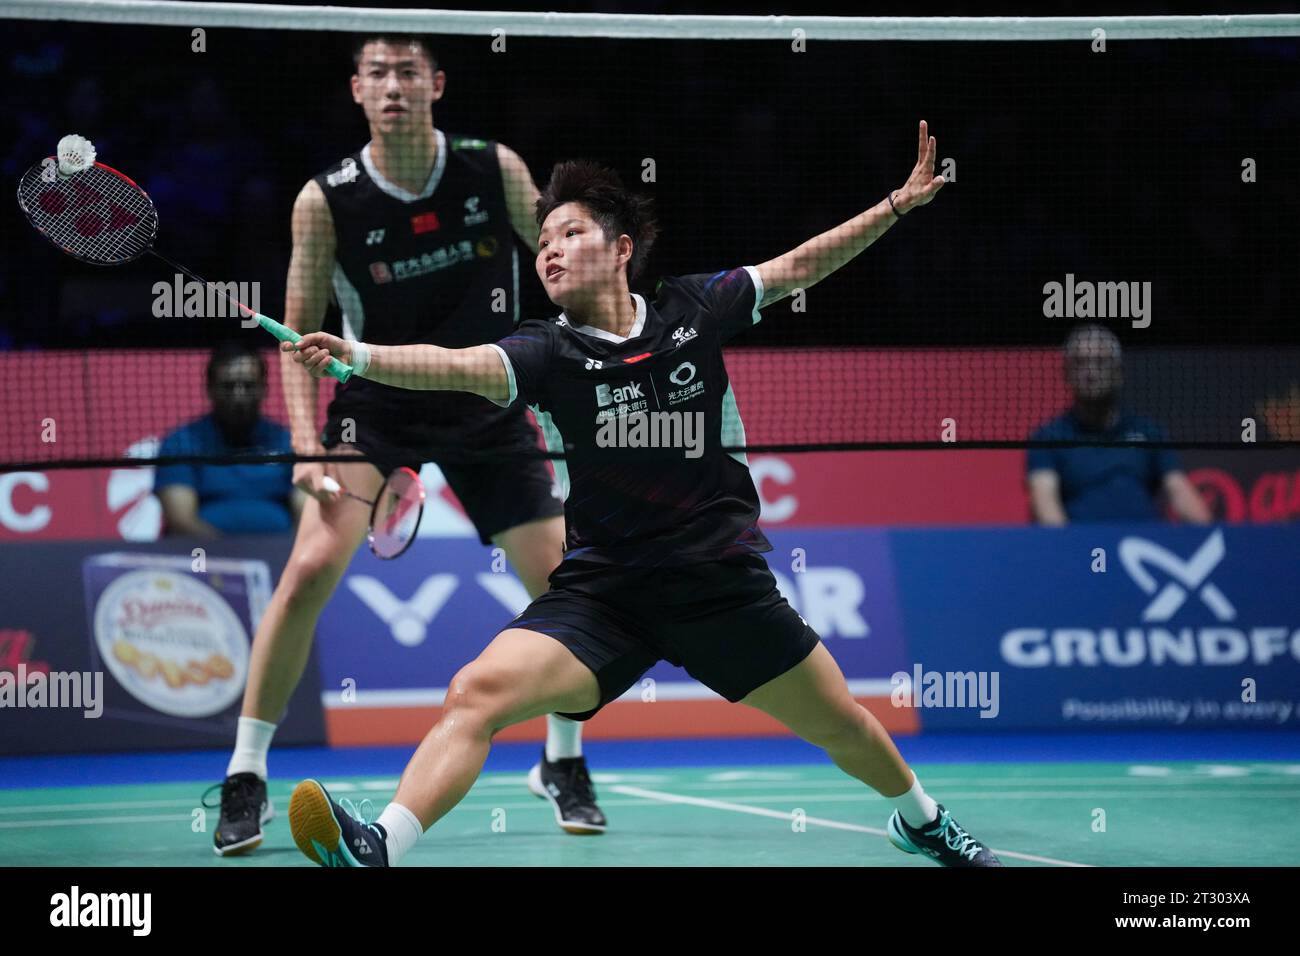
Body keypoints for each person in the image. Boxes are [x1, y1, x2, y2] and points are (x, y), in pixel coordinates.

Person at [283, 123, 1003, 867]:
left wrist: (894, 206)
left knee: (844, 726)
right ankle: (379, 847)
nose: (552, 250)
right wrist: (358, 356)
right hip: (606, 594)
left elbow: (797, 269)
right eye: (544, 241)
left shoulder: (695, 311)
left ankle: (922, 821)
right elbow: (454, 364)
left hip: (720, 586)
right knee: (475, 693)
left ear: (622, 248)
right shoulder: (545, 352)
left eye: (572, 233)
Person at [209, 35, 603, 857]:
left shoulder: (490, 168)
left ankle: (562, 760)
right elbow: (300, 329)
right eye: (378, 74)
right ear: (356, 90)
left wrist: (592, 344)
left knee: (571, 581)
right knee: (313, 564)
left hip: (484, 392)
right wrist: (310, 448)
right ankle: (246, 772)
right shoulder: (326, 200)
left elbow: (556, 260)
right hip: (378, 401)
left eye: (409, 73)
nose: (394, 86)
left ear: (437, 85)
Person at [1027, 324, 1211, 525]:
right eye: (1080, 363)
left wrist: (1212, 536)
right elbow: (1045, 502)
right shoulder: (1049, 437)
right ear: (1067, 374)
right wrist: (1070, 549)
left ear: (1119, 372)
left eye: (1100, 362)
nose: (1090, 373)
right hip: (1085, 548)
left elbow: (1178, 489)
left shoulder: (1148, 432)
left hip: (1143, 546)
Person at [155, 341, 301, 536]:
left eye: (248, 386)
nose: (239, 395)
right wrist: (234, 557)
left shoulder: (290, 442)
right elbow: (181, 521)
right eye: (228, 386)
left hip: (281, 558)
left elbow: (306, 515)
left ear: (264, 389)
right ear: (210, 389)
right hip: (206, 558)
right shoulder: (181, 442)